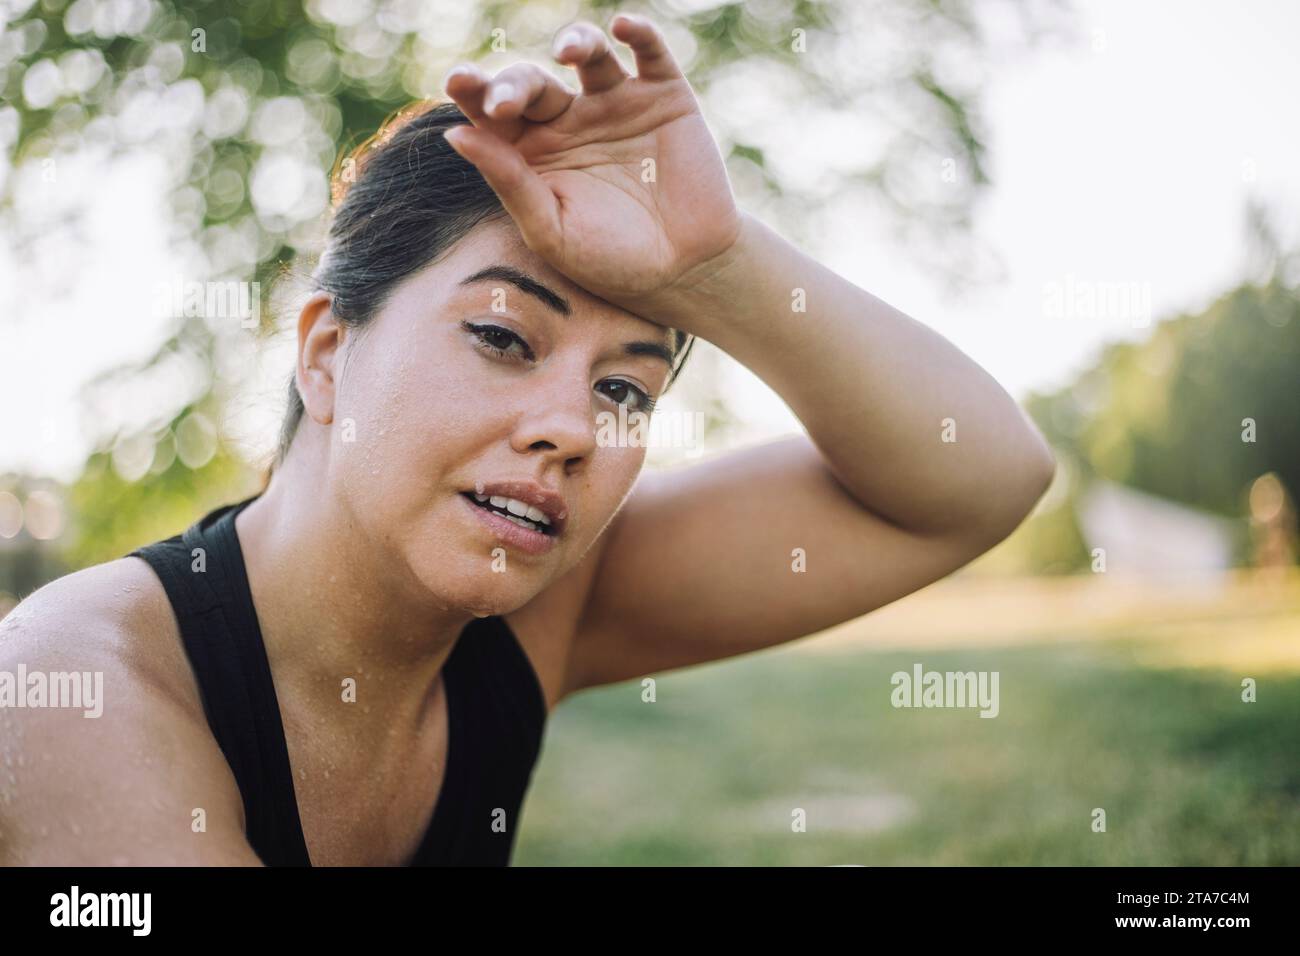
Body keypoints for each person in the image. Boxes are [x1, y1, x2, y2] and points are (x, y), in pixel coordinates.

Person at [0, 12, 1055, 866]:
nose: (573, 428)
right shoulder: (69, 685)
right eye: (503, 337)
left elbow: (983, 478)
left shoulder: (548, 603)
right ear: (325, 354)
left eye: (624, 389)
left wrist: (714, 265)